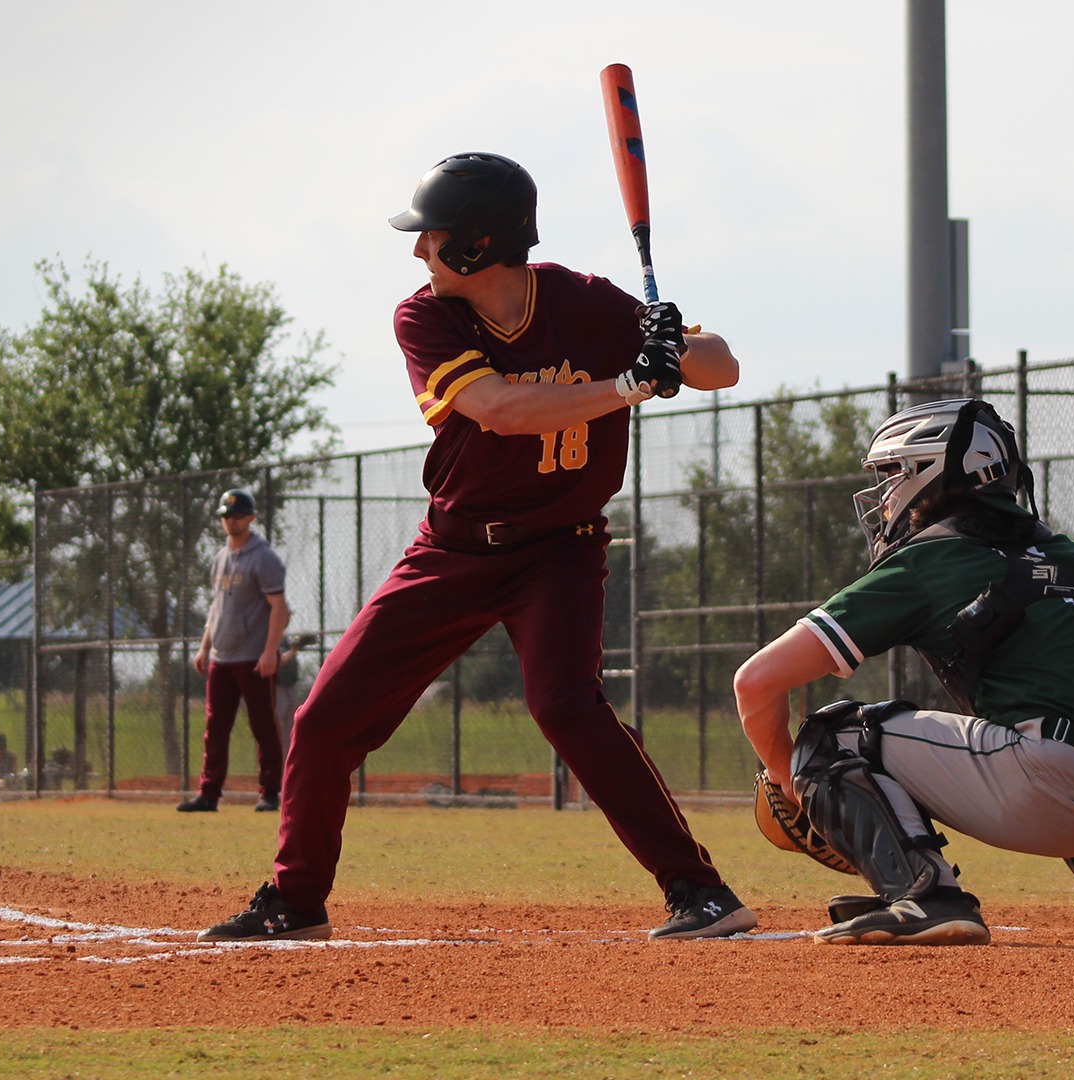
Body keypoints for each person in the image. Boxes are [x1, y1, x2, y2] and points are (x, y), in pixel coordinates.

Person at [199, 152, 750, 942]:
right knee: (324, 720)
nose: (419, 250)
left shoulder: (587, 301)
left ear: (476, 244)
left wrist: (675, 347)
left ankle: (701, 891)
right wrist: (631, 384)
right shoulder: (425, 317)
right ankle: (296, 900)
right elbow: (499, 409)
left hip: (560, 550)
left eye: (431, 236)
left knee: (567, 706)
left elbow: (723, 367)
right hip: (454, 549)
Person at [733, 398, 1074, 946]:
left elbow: (755, 681)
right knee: (1057, 717)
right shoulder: (1071, 552)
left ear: (930, 471)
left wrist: (788, 777)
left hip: (1057, 791)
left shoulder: (928, 560)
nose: (885, 493)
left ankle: (926, 896)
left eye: (892, 473)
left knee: (831, 736)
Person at [178, 488, 290, 813]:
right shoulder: (220, 557)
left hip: (254, 658)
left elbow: (279, 607)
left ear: (251, 518)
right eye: (227, 516)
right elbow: (216, 608)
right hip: (221, 657)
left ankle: (270, 793)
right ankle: (208, 794)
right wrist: (204, 648)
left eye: (238, 515)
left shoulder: (264, 558)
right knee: (215, 728)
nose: (231, 521)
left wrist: (270, 652)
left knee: (263, 725)